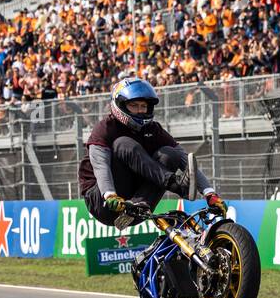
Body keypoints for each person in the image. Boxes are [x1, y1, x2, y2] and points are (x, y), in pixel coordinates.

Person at [77, 78, 226, 229]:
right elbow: (100, 166)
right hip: (102, 200)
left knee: (170, 154)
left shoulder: (154, 129)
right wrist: (109, 194)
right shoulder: (105, 128)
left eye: (143, 106)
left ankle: (140, 203)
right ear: (121, 104)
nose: (140, 110)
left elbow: (184, 159)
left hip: (136, 205)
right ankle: (177, 186)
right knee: (124, 143)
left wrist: (210, 193)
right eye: (134, 105)